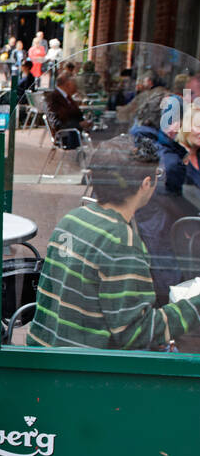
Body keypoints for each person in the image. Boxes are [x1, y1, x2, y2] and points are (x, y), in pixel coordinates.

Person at [27, 135, 200, 351]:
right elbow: (137, 334)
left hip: (50, 355)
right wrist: (195, 307)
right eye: (156, 174)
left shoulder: (72, 219)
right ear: (146, 184)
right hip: (91, 369)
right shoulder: (121, 241)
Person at [45, 70, 87, 149]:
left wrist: (83, 121)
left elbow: (75, 113)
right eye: (74, 84)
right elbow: (57, 122)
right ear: (67, 84)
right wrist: (78, 124)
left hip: (73, 129)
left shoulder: (67, 97)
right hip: (66, 134)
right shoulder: (54, 97)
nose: (76, 87)